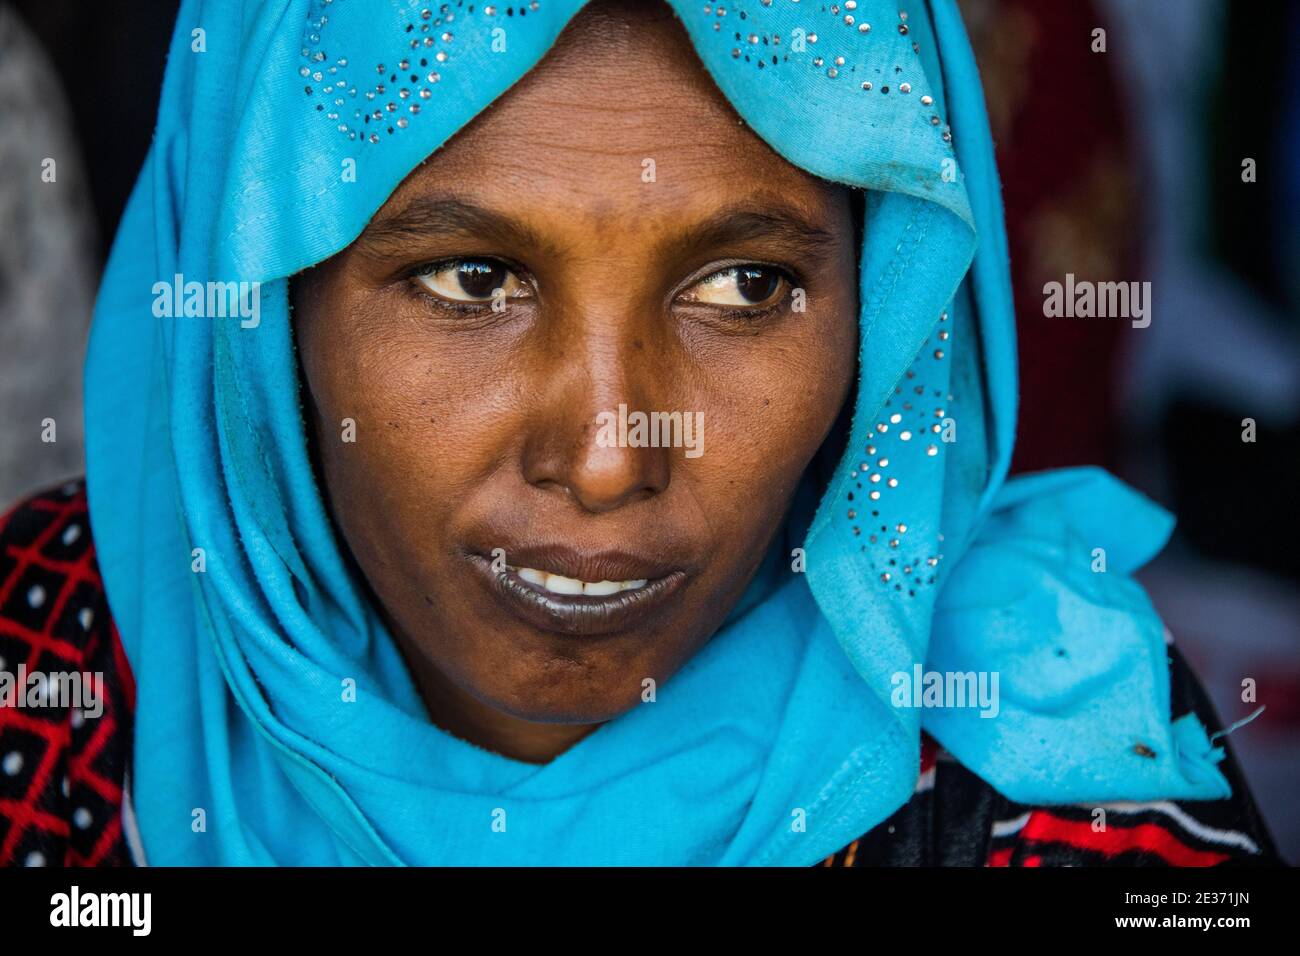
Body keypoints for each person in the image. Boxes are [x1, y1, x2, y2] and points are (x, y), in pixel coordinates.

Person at [0, 0, 1279, 866]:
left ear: (885, 321)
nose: (610, 457)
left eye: (745, 287)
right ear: (261, 319)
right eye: (471, 279)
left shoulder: (1067, 760)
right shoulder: (41, 644)